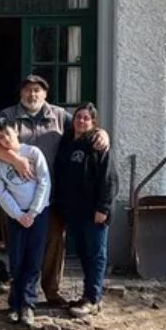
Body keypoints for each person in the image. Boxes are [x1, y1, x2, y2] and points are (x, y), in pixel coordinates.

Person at [0, 74, 109, 306]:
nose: (32, 95)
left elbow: (84, 126)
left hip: (51, 196)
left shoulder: (60, 115)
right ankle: (19, 296)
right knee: (18, 249)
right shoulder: (8, 115)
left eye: (37, 91)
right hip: (16, 197)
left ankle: (51, 292)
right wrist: (15, 160)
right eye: (28, 90)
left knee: (54, 245)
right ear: (21, 93)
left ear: (45, 94)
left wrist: (103, 133)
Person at [53, 102, 118, 317]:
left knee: (96, 255)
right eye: (78, 117)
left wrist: (103, 207)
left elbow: (109, 179)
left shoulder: (98, 145)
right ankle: (88, 295)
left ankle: (93, 298)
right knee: (83, 254)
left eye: (86, 118)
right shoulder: (67, 144)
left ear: (93, 123)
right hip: (73, 212)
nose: (81, 121)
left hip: (94, 212)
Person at [0, 120, 51, 328]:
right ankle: (14, 304)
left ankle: (28, 305)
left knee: (34, 260)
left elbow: (44, 181)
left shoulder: (33, 153)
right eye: (0, 138)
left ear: (16, 131)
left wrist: (33, 211)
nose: (5, 140)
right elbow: (2, 193)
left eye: (7, 134)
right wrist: (18, 215)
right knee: (16, 260)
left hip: (38, 214)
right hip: (15, 217)